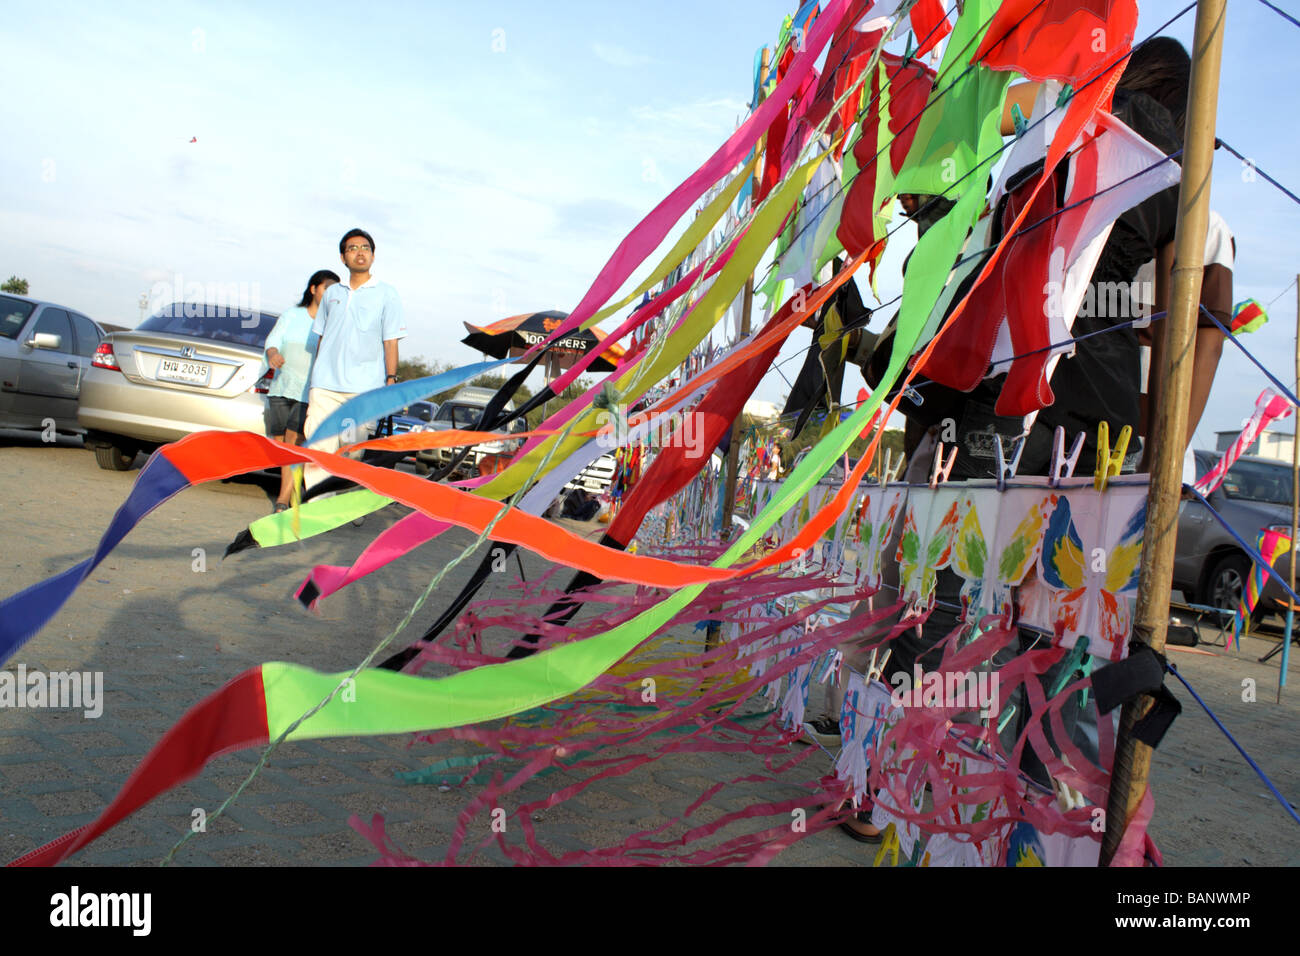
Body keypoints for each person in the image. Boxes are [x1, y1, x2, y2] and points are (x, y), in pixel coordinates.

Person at [300, 228, 406, 490]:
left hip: (362, 390)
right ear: (342, 257)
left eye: (365, 248)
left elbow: (390, 341)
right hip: (325, 385)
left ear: (372, 255)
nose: (360, 253)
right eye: (352, 248)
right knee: (317, 444)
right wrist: (315, 377)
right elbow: (322, 337)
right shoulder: (332, 294)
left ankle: (346, 495)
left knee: (351, 450)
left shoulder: (387, 294)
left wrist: (391, 380)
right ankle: (317, 503)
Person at [263, 269, 339, 511]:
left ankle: (283, 499)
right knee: (281, 442)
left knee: (294, 441)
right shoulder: (292, 315)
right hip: (282, 387)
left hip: (310, 391)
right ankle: (296, 490)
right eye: (327, 288)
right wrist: (273, 353)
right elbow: (273, 340)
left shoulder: (333, 324)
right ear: (314, 289)